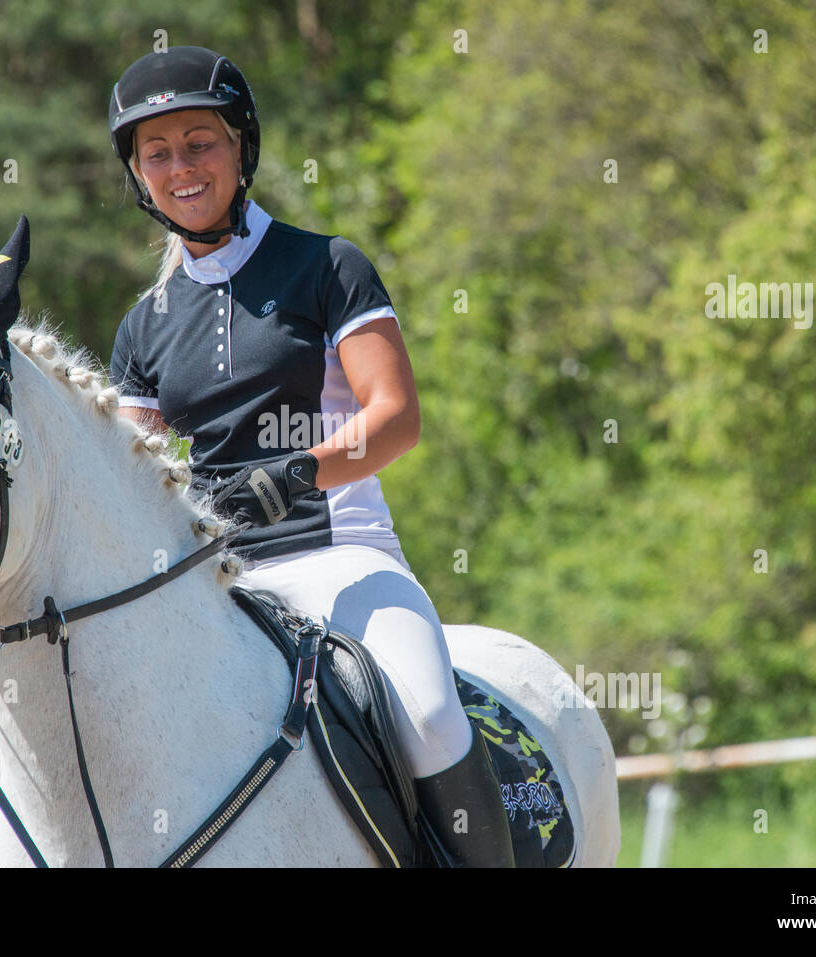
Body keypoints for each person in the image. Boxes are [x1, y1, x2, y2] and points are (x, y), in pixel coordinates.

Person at [107, 45, 513, 866]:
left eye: (200, 142)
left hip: (343, 558)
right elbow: (134, 481)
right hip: (220, 588)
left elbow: (395, 418)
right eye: (158, 154)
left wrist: (294, 474)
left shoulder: (327, 265)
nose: (181, 167)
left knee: (431, 715)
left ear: (242, 149)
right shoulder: (142, 326)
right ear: (139, 177)